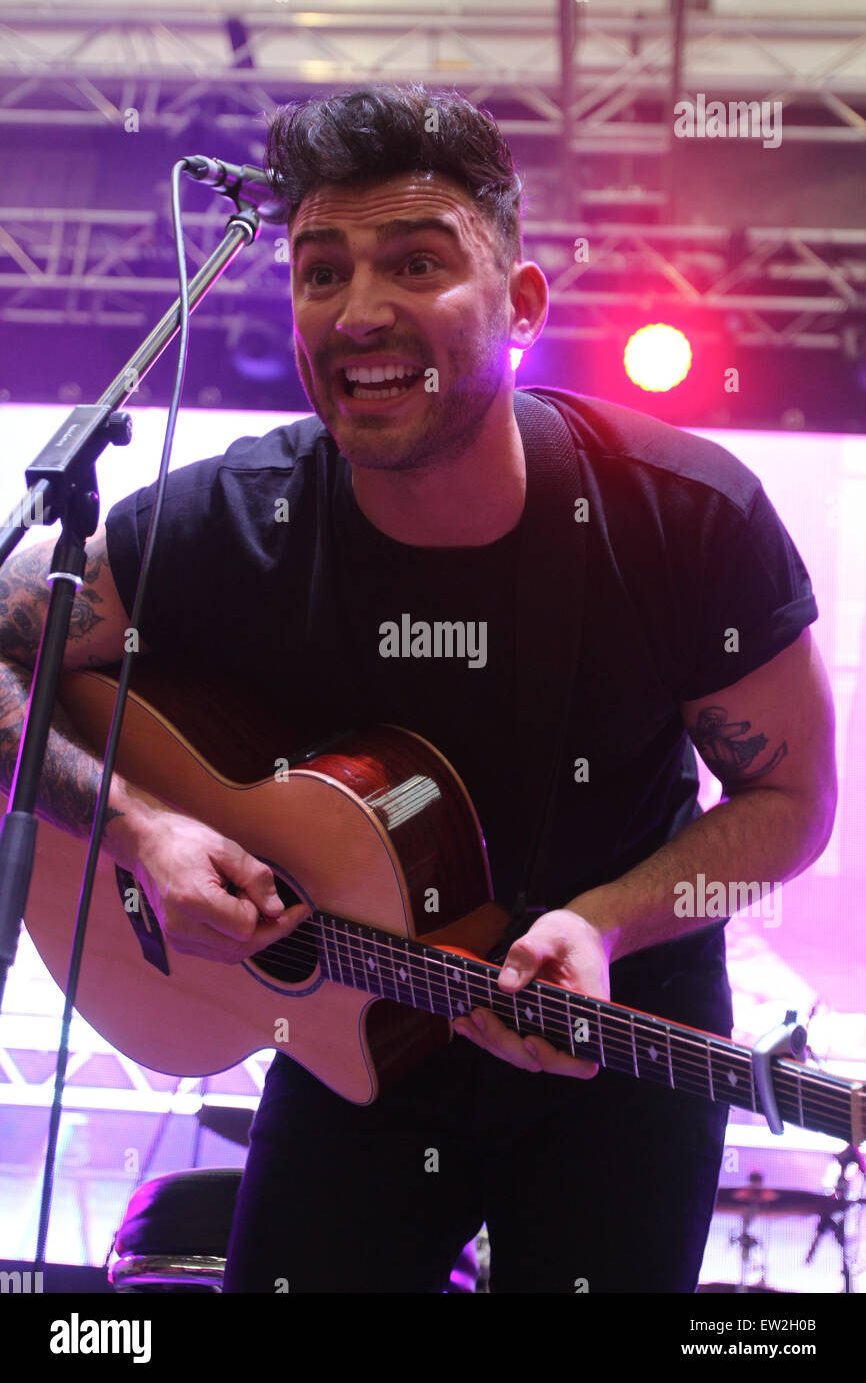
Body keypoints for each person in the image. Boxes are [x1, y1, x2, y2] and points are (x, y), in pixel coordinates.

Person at [0, 85, 836, 1293]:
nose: (358, 311)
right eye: (319, 270)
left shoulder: (679, 518)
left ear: (523, 306)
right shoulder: (231, 520)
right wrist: (141, 831)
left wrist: (602, 921)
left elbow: (792, 797)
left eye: (415, 262)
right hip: (349, 1033)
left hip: (616, 1037)